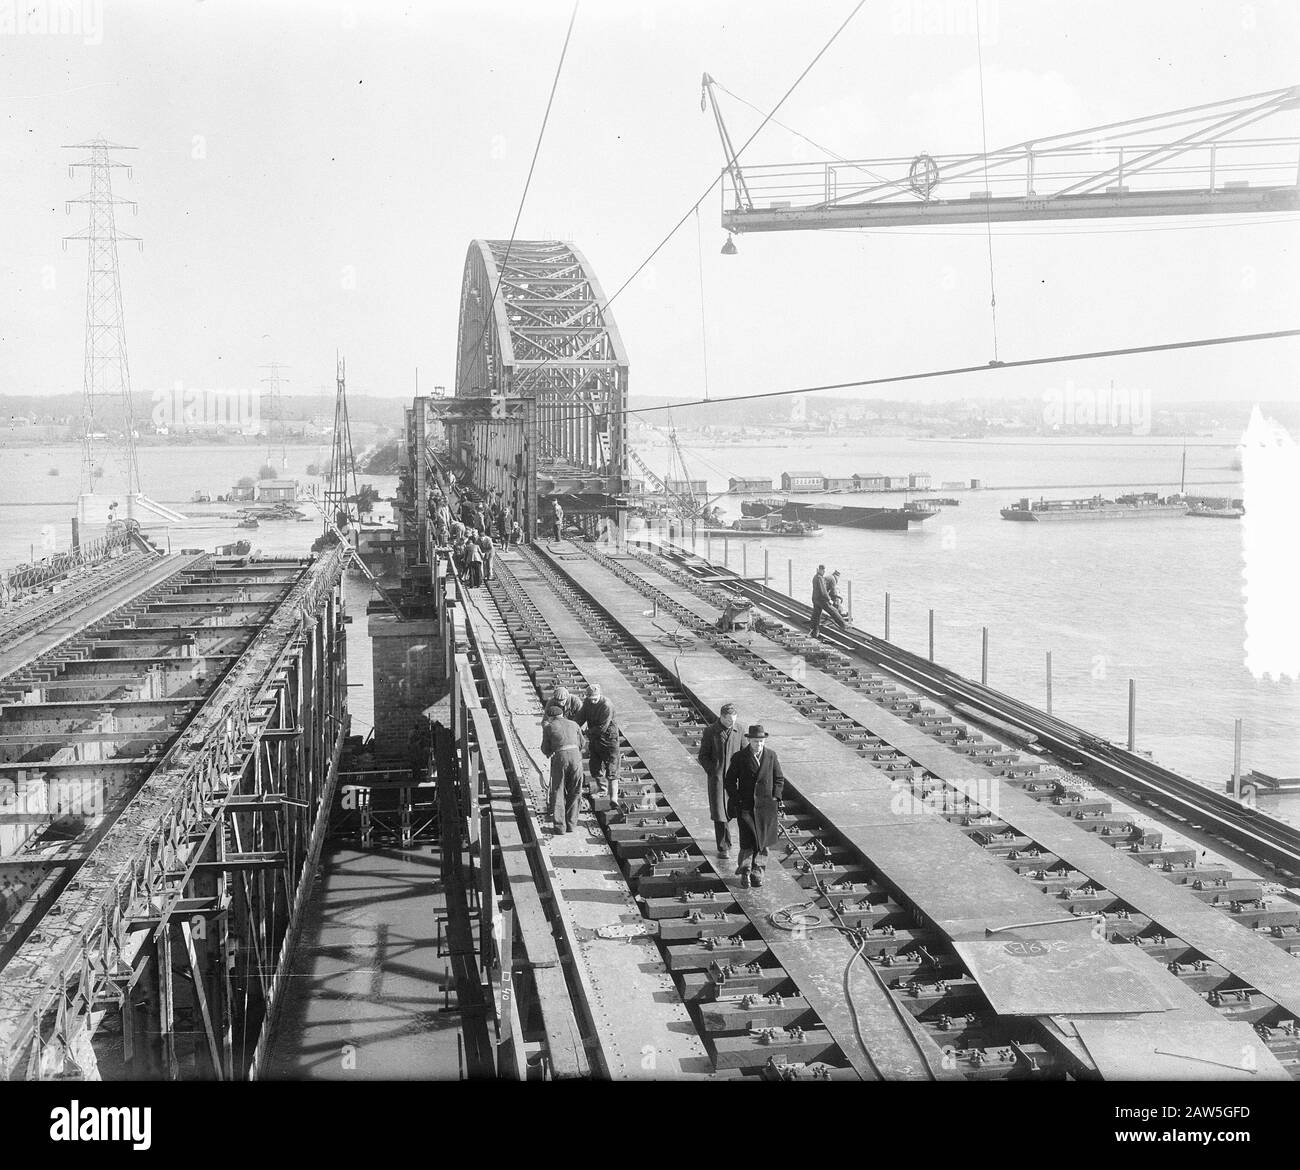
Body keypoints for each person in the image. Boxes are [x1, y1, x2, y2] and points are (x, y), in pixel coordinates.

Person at [723, 724, 785, 887]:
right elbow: (729, 781)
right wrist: (737, 799)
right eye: (756, 741)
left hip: (766, 807)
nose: (759, 744)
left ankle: (758, 871)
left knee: (763, 841)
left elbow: (779, 779)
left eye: (762, 741)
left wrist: (776, 797)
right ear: (749, 740)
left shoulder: (771, 756)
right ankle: (745, 870)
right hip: (746, 806)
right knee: (748, 840)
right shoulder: (739, 757)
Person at [697, 702, 742, 858]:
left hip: (734, 780)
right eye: (729, 720)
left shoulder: (739, 730)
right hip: (718, 781)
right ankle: (724, 847)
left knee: (732, 811)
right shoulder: (710, 732)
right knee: (719, 814)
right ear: (722, 717)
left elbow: (745, 752)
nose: (732, 722)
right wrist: (713, 771)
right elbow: (702, 756)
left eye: (734, 719)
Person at [541, 704, 586, 834]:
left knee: (558, 791)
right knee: (575, 790)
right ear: (562, 715)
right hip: (576, 758)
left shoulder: (549, 727)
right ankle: (571, 825)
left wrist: (551, 751)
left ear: (550, 717)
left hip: (560, 758)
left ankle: (560, 827)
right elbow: (582, 743)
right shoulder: (574, 724)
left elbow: (545, 748)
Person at [579, 683, 619, 797]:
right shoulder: (587, 702)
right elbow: (581, 717)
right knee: (594, 766)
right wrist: (573, 727)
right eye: (590, 699)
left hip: (609, 740)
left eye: (595, 699)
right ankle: (603, 789)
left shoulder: (606, 705)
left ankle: (613, 797)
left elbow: (602, 727)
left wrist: (586, 732)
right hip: (595, 738)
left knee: (611, 767)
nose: (592, 701)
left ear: (599, 695)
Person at [810, 564, 832, 637]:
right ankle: (815, 631)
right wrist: (829, 599)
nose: (824, 572)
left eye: (825, 571)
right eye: (823, 571)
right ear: (820, 570)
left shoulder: (816, 577)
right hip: (819, 599)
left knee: (815, 614)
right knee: (817, 615)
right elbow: (823, 591)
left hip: (815, 598)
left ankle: (813, 629)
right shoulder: (819, 578)